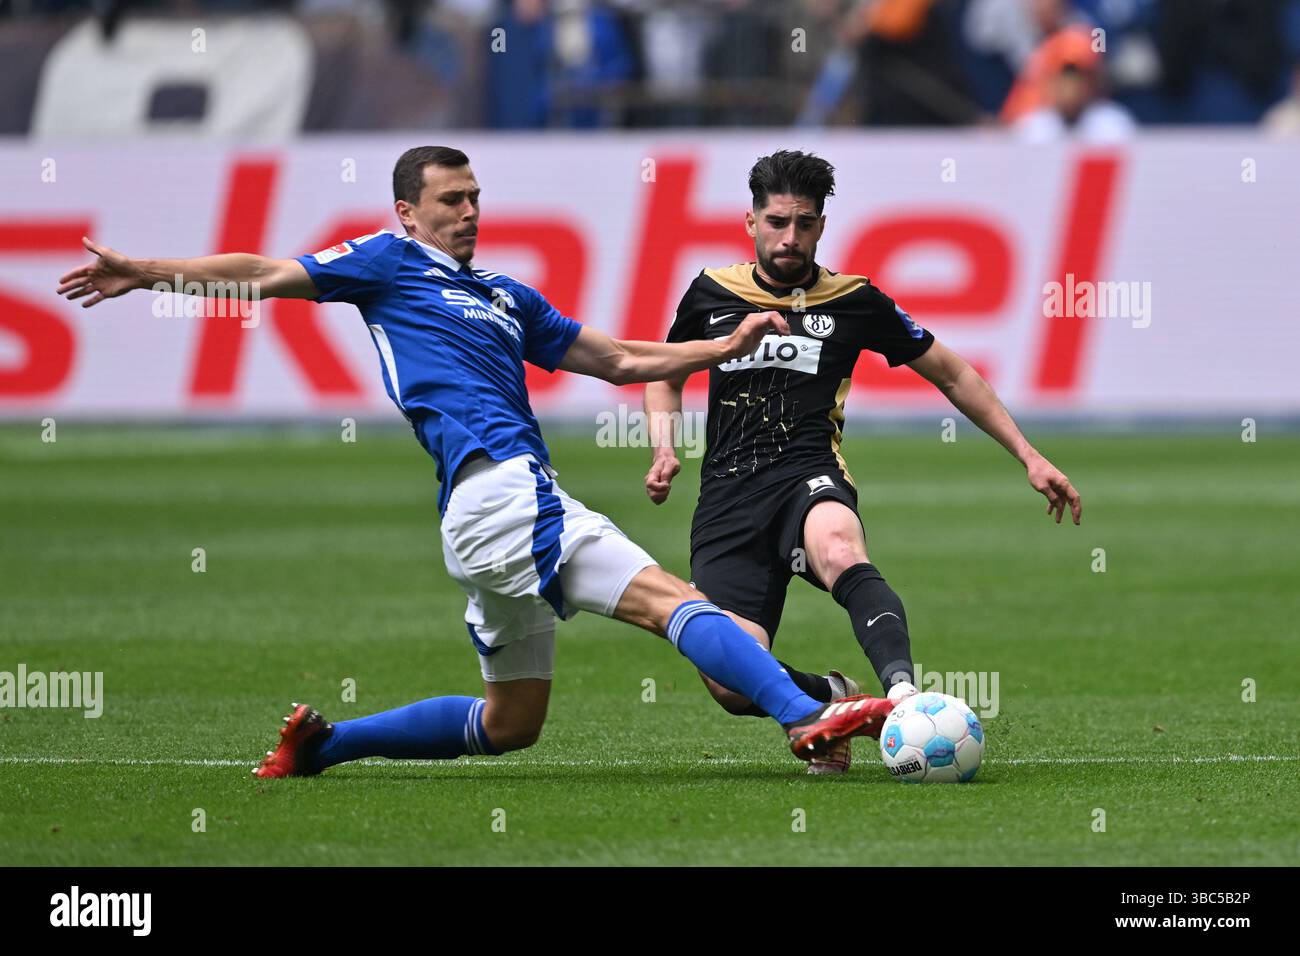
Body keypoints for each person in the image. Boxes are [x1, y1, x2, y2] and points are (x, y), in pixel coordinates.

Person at [55, 145, 898, 777]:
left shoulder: (505, 295)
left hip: (482, 517)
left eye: (474, 198)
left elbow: (623, 362)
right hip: (502, 489)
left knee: (511, 725)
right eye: (449, 200)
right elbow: (265, 272)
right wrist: (149, 272)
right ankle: (807, 711)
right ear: (406, 214)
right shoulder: (386, 265)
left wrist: (727, 344)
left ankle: (324, 747)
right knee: (676, 602)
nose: (467, 212)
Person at [643, 149, 1082, 774]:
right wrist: (664, 443)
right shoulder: (711, 294)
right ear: (750, 222)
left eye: (803, 223)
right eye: (776, 223)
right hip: (727, 497)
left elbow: (953, 372)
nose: (789, 237)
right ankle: (838, 699)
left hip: (807, 474)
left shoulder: (854, 301)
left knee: (841, 549)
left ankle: (903, 696)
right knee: (729, 681)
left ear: (822, 225)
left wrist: (1028, 456)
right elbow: (665, 373)